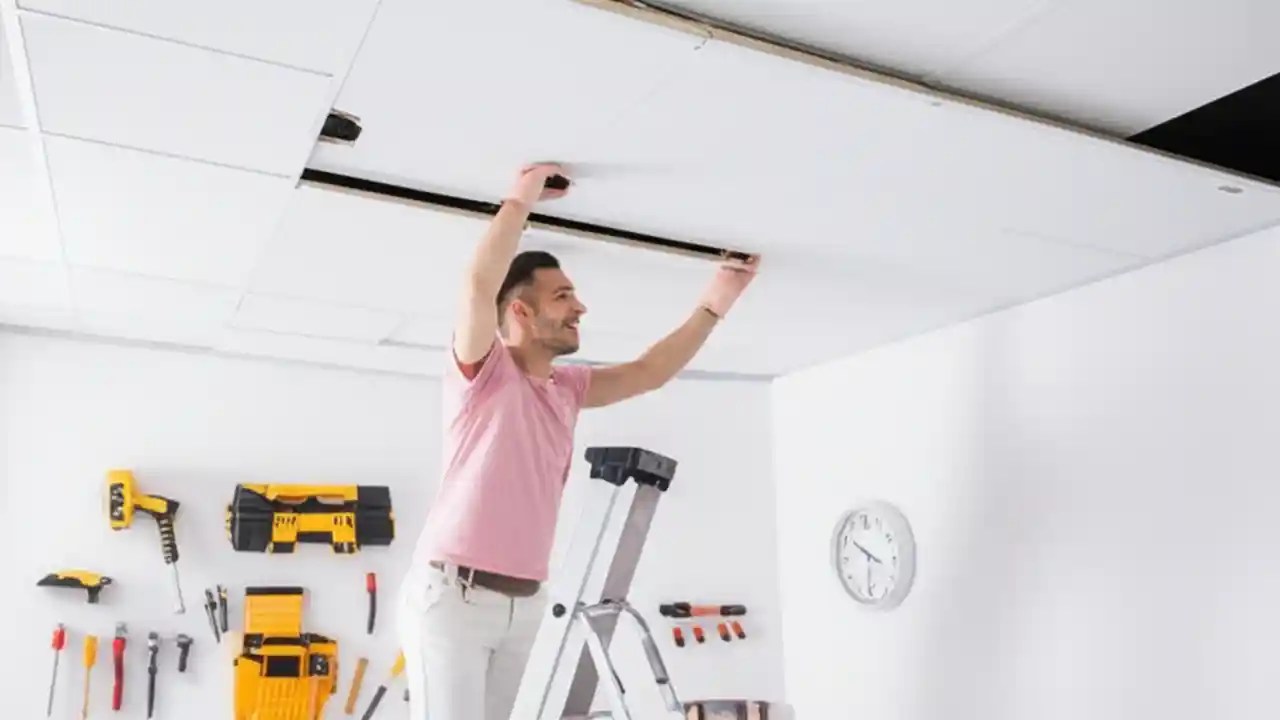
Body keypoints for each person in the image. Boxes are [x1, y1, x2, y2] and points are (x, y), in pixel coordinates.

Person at [395, 163, 760, 720]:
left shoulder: (567, 388)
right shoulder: (483, 374)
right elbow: (477, 285)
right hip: (453, 599)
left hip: (525, 604)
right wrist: (523, 196)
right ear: (519, 310)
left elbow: (649, 371)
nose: (580, 308)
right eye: (563, 296)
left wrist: (718, 300)